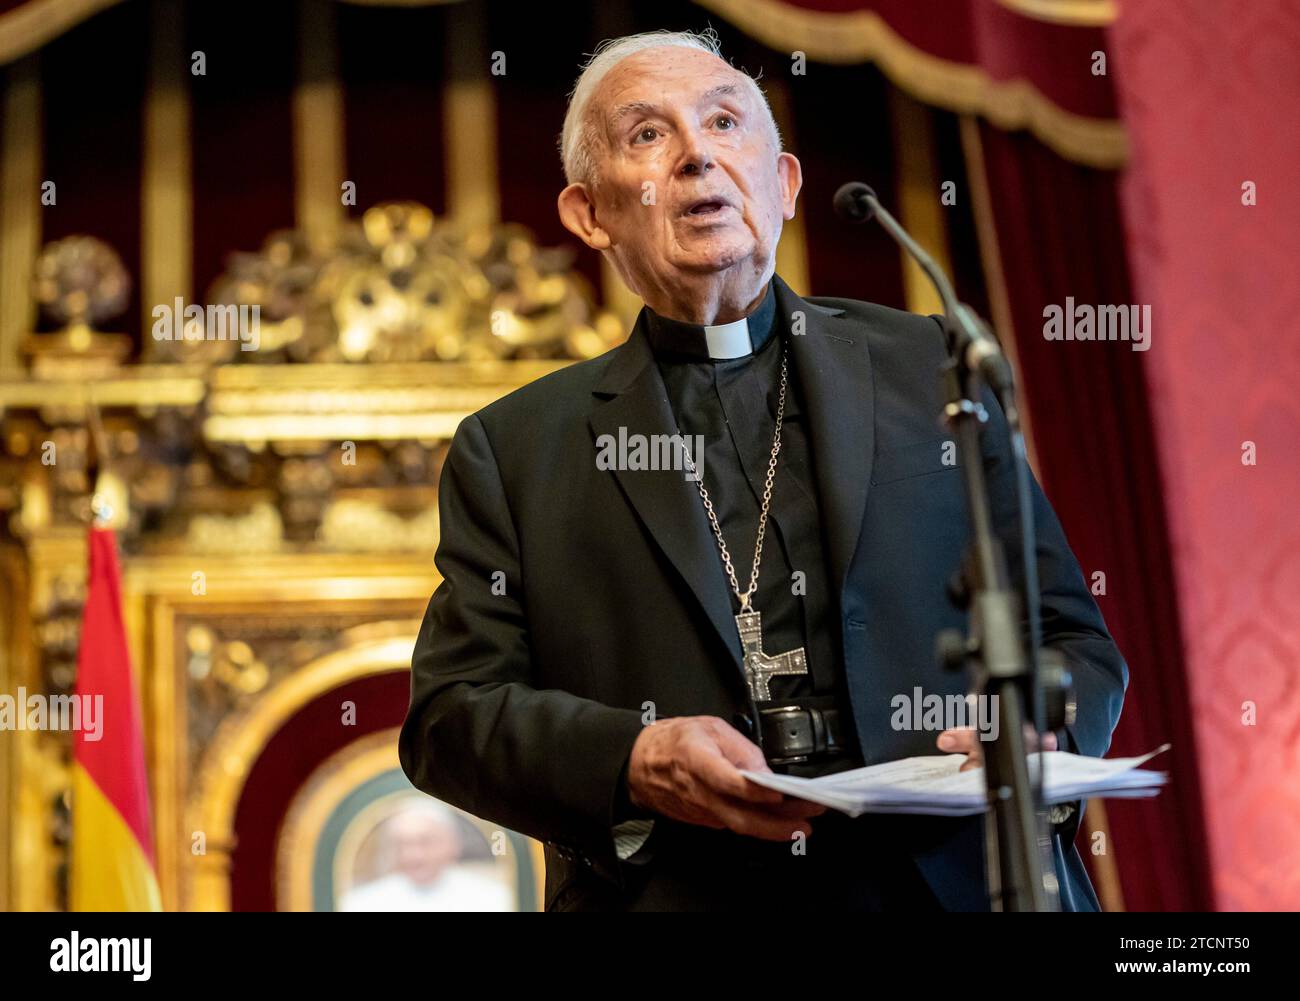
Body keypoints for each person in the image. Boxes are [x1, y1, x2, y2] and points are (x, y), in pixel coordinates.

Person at [399, 29, 1128, 912]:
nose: (698, 153)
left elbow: (1074, 639)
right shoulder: (516, 449)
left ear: (781, 184)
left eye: (722, 122)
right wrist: (632, 759)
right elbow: (450, 718)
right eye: (647, 135)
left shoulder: (929, 364)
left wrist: (1036, 726)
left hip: (957, 884)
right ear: (590, 213)